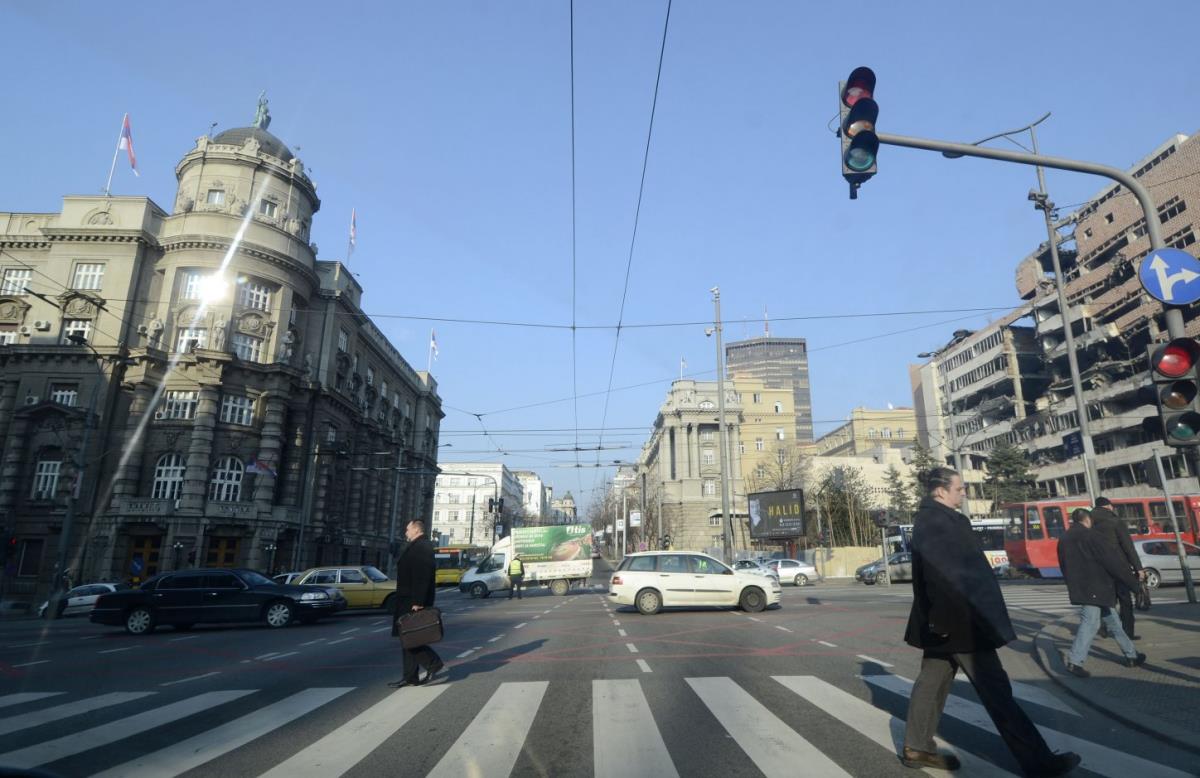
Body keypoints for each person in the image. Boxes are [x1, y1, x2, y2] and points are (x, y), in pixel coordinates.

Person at [902, 467, 1080, 776]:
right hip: (960, 623)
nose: (964, 492)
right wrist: (943, 622)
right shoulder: (935, 521)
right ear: (942, 491)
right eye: (960, 488)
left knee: (931, 684)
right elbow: (940, 577)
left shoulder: (940, 519)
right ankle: (1039, 763)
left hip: (948, 622)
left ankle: (916, 746)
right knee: (997, 694)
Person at [1058, 508, 1145, 677]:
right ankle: (1075, 662)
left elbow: (1063, 566)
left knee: (1113, 622)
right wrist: (1133, 584)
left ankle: (1132, 655)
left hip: (1082, 588)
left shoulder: (1064, 538)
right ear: (1088, 520)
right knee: (1090, 623)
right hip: (1097, 587)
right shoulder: (1092, 536)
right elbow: (1113, 563)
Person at [389, 519, 443, 688]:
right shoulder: (416, 545)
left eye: (408, 529)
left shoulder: (423, 546)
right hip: (407, 598)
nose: (406, 532)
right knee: (407, 636)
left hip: (412, 601)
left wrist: (418, 601)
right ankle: (410, 676)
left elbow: (423, 575)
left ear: (416, 529)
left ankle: (433, 663)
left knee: (410, 637)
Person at [1088, 496, 1143, 639]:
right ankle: (1128, 632)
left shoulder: (1089, 522)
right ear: (1108, 506)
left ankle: (1103, 629)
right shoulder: (1115, 521)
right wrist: (1138, 567)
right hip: (1119, 567)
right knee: (1125, 600)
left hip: (1097, 568)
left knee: (1104, 599)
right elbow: (1128, 547)